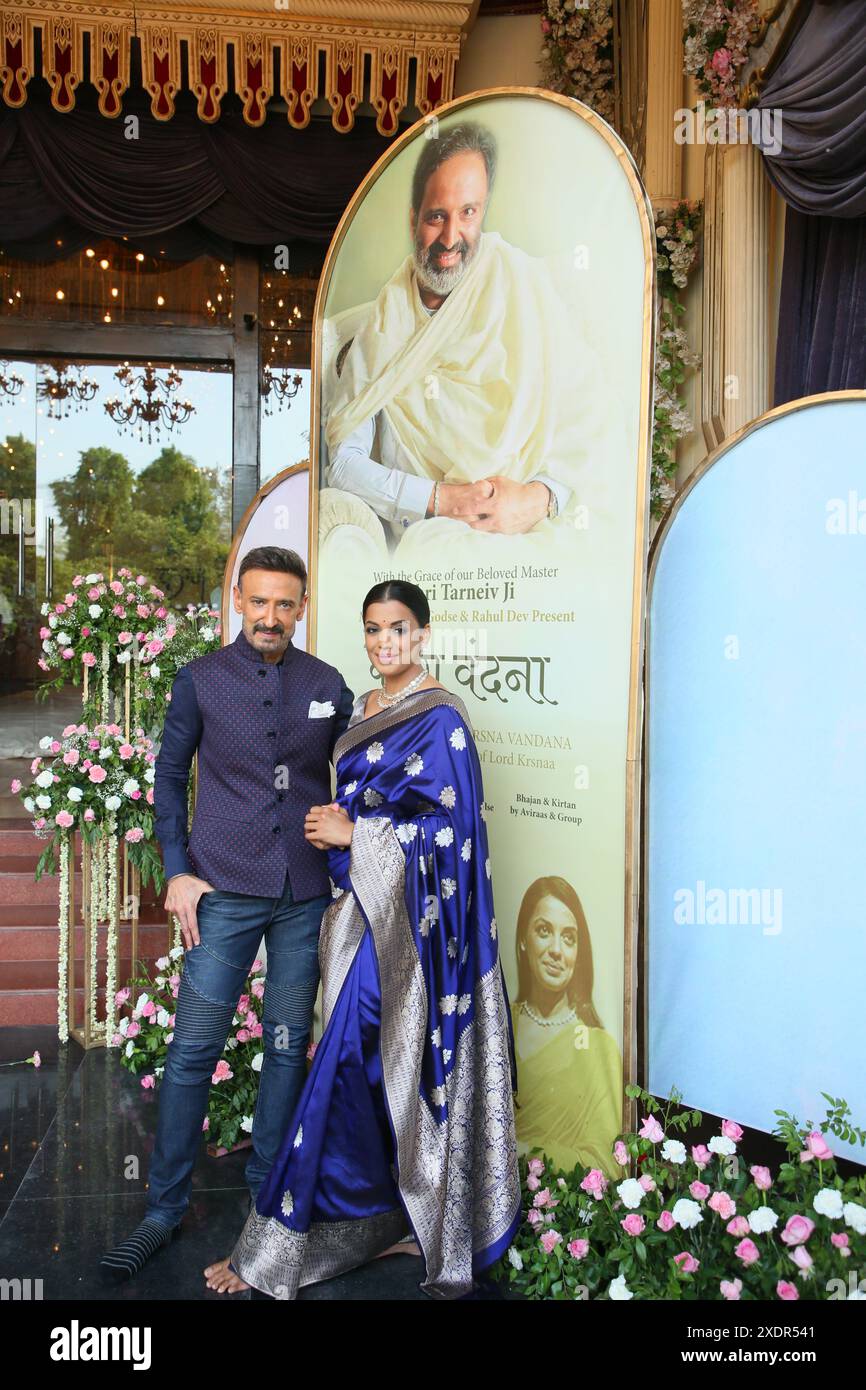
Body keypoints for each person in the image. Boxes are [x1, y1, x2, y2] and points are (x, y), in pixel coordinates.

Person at [211, 579, 521, 1299]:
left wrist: (359, 834)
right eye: (375, 629)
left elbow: (458, 834)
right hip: (359, 916)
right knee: (369, 1071)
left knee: (345, 1062)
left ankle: (275, 1250)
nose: (387, 643)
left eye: (400, 629)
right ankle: (386, 1215)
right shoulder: (361, 709)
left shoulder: (442, 718)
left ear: (424, 634)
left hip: (416, 934)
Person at [99, 546, 354, 1284]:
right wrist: (176, 871)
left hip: (303, 894)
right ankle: (164, 1206)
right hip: (223, 889)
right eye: (260, 601)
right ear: (238, 600)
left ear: (302, 607)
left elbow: (357, 767)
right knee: (192, 1050)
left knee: (284, 1047)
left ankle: (268, 1202)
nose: (271, 616)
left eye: (286, 604)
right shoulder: (200, 681)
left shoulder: (326, 685)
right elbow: (169, 775)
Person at [322, 120, 600, 546]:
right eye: (436, 216)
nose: (451, 238)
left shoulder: (525, 288)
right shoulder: (382, 330)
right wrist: (441, 500)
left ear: (483, 211)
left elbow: (587, 416)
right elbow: (343, 461)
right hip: (433, 536)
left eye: (467, 213)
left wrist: (539, 498)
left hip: (528, 531)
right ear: (413, 219)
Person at [511, 876, 623, 1179]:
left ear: (578, 953)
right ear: (523, 938)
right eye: (544, 932)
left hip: (565, 1217)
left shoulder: (599, 1047)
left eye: (569, 938)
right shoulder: (497, 1023)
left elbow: (608, 1165)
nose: (557, 950)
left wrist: (524, 1154)